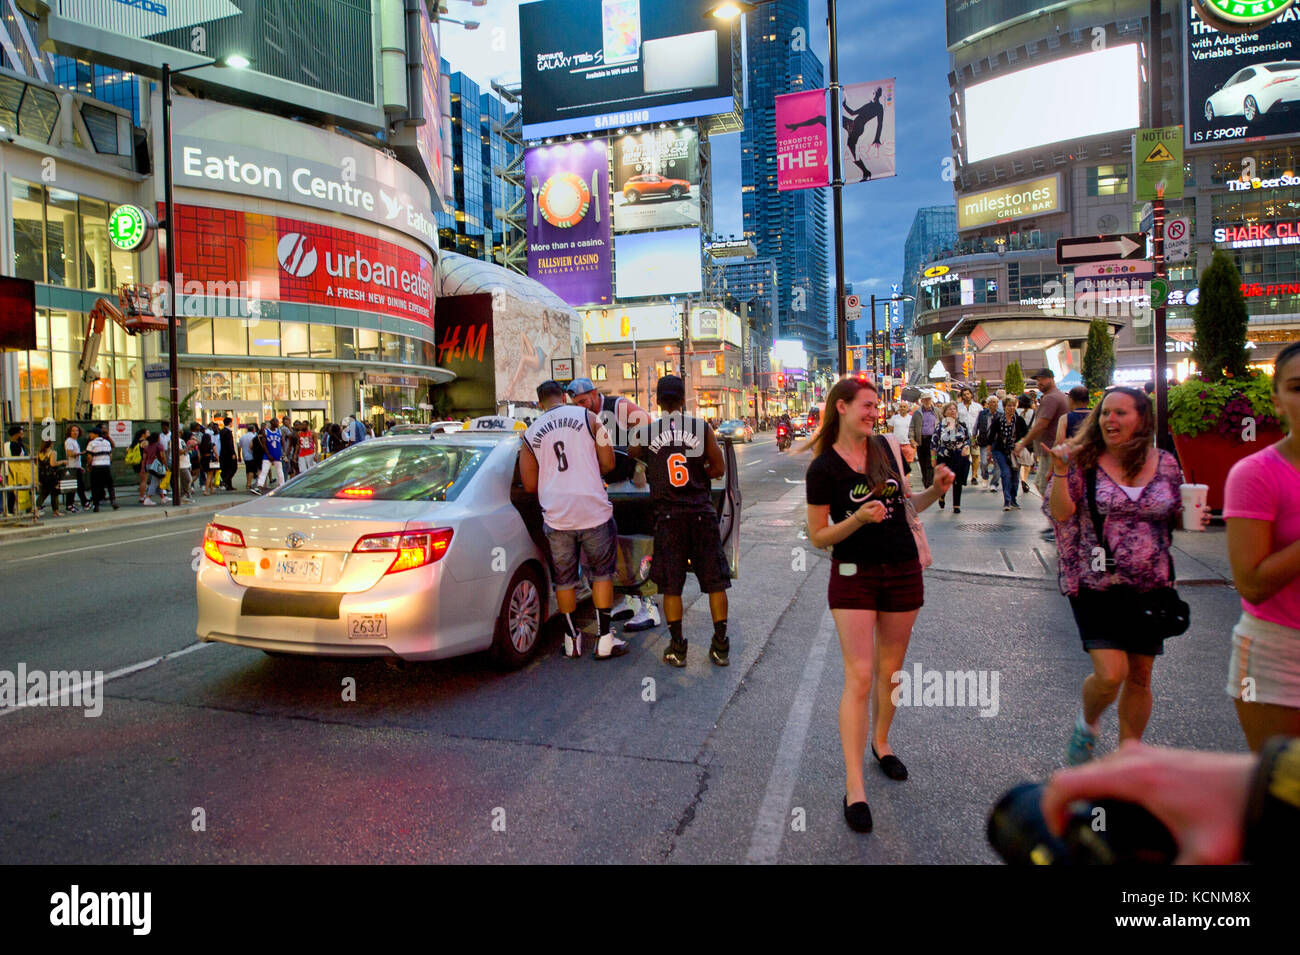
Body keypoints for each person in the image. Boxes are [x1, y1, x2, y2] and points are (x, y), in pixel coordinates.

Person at [803, 376, 954, 833]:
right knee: (862, 676)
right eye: (866, 406)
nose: (874, 413)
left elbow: (907, 509)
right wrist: (856, 518)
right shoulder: (823, 469)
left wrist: (938, 491)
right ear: (842, 407)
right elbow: (818, 537)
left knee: (891, 671)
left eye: (876, 407)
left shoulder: (886, 450)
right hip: (853, 574)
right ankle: (854, 786)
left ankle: (882, 743)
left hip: (902, 569)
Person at [1045, 386, 1205, 765]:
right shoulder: (1082, 460)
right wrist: (1061, 469)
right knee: (1111, 673)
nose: (1109, 420)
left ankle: (1128, 758)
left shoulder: (1164, 462)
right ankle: (1088, 723)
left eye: (1120, 413)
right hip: (1095, 581)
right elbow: (1062, 514)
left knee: (1140, 676)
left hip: (1151, 583)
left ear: (1142, 420)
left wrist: (1195, 513)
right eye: (1105, 413)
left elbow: (1169, 511)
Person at [1223, 339, 1300, 751]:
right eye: (1298, 388)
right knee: (1284, 800)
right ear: (1278, 402)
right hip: (1279, 654)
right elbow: (1251, 582)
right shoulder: (1255, 475)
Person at [518, 380, 628, 660]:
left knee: (564, 579)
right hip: (593, 510)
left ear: (539, 402)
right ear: (564, 397)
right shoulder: (590, 418)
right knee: (602, 574)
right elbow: (609, 463)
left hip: (558, 516)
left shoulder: (529, 434)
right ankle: (604, 639)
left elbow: (529, 484)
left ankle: (571, 639)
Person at [629, 375, 730, 667]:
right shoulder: (701, 427)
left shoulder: (648, 432)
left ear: (659, 402)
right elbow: (719, 468)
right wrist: (700, 473)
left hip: (669, 518)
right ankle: (720, 646)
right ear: (684, 400)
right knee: (715, 582)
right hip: (701, 513)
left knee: (671, 587)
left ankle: (677, 648)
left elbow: (633, 454)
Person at [567, 376, 657, 627]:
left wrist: (641, 464)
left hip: (634, 485)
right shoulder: (585, 418)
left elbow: (651, 427)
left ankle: (649, 606)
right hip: (612, 486)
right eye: (577, 404)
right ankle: (631, 601)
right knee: (621, 544)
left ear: (595, 394)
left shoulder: (618, 407)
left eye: (584, 401)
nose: (582, 407)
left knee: (640, 543)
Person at [1015, 368, 1069, 504]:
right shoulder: (1056, 396)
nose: (1039, 383)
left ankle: (1059, 517)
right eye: (1037, 380)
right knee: (1042, 483)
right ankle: (1057, 516)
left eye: (1042, 379)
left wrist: (1022, 443)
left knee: (1045, 485)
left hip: (1051, 449)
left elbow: (1041, 424)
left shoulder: (1051, 398)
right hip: (1052, 449)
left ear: (1051, 379)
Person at [990, 394, 1028, 511]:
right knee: (1006, 473)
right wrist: (989, 452)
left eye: (1013, 405)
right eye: (1009, 406)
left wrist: (1020, 443)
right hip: (1000, 451)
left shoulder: (1019, 420)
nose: (1011, 408)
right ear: (1004, 407)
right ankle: (1007, 501)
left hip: (1015, 452)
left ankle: (1013, 499)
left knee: (1015, 477)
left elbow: (1026, 435)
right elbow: (991, 436)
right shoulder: (998, 420)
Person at [934, 401, 971, 513]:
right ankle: (942, 496)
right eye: (950, 409)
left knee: (957, 480)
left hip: (958, 456)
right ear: (944, 413)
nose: (953, 411)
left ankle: (956, 505)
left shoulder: (962, 425)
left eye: (954, 409)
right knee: (945, 480)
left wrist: (966, 446)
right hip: (944, 457)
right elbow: (934, 443)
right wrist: (932, 459)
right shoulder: (940, 426)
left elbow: (968, 439)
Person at [85, 426, 118, 512]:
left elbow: (89, 456)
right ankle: (113, 500)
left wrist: (88, 465)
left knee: (95, 486)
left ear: (96, 434)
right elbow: (110, 455)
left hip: (96, 467)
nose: (90, 435)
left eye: (91, 433)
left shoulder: (91, 443)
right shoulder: (107, 442)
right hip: (106, 466)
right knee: (110, 485)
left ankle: (96, 505)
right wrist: (108, 462)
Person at [909, 394, 938, 489]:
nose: (926, 401)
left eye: (928, 399)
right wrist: (912, 439)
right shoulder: (917, 413)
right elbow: (912, 426)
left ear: (931, 400)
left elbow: (944, 423)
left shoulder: (936, 411)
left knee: (930, 462)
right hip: (921, 440)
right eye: (924, 400)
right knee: (922, 462)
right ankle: (926, 480)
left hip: (933, 440)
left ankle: (929, 484)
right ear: (921, 401)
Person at [956, 387, 983, 486]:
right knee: (965, 456)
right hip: (964, 436)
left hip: (975, 434)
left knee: (975, 455)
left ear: (971, 395)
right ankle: (965, 475)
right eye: (964, 394)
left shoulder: (978, 407)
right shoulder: (958, 407)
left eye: (968, 394)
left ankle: (974, 476)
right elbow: (956, 421)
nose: (966, 396)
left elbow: (981, 420)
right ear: (962, 396)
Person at [975, 397, 1001, 493]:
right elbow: (976, 425)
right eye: (993, 402)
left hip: (997, 443)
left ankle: (994, 483)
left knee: (997, 465)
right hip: (984, 441)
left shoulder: (1000, 415)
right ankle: (984, 476)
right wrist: (974, 438)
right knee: (984, 462)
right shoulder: (982, 414)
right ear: (988, 403)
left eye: (997, 402)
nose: (995, 404)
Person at [62, 425, 89, 513]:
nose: (75, 432)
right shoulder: (69, 441)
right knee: (73, 487)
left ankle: (83, 502)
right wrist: (81, 453)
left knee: (79, 486)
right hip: (71, 467)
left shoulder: (75, 441)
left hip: (76, 466)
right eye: (73, 431)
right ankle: (70, 505)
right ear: (70, 432)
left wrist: (79, 466)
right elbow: (70, 454)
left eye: (77, 431)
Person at [34, 440, 64, 516]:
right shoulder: (52, 452)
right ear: (50, 444)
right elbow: (53, 464)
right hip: (51, 475)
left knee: (43, 493)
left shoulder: (39, 453)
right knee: (54, 493)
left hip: (42, 475)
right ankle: (55, 511)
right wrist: (63, 462)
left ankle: (35, 508)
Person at [254, 416, 285, 493]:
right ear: (272, 423)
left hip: (277, 454)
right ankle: (259, 486)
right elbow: (264, 444)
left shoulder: (280, 431)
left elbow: (283, 442)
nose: (278, 423)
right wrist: (268, 454)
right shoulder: (266, 431)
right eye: (276, 422)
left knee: (279, 471)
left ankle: (282, 486)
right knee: (264, 471)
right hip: (268, 455)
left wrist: (284, 452)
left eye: (278, 422)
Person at [885, 401, 914, 475]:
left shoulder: (911, 418)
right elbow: (890, 431)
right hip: (897, 444)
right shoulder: (894, 418)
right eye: (901, 407)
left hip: (908, 444)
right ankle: (900, 479)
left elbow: (914, 431)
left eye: (904, 407)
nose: (902, 408)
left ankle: (906, 481)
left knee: (908, 464)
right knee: (897, 464)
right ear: (898, 408)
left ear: (907, 409)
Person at [1015, 394, 1035, 494]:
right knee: (1027, 462)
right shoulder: (1034, 413)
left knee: (1018, 461)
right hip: (1030, 440)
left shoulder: (1016, 412)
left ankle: (1019, 478)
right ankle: (1024, 480)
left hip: (1018, 439)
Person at [219, 417, 238, 491]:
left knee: (226, 469)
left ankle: (229, 485)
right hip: (228, 453)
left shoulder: (222, 431)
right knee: (233, 468)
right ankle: (225, 481)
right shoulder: (228, 432)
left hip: (223, 453)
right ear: (230, 423)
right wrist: (232, 453)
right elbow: (229, 444)